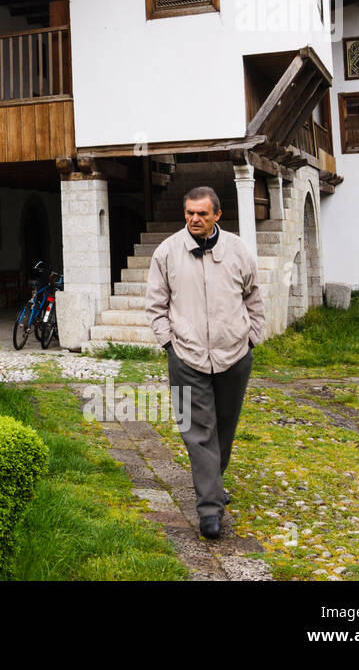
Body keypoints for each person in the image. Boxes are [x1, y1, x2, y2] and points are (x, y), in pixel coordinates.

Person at [144, 185, 265, 539]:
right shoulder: (166, 252)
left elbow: (254, 296)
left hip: (235, 355)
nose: (194, 219)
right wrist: (169, 343)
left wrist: (252, 337)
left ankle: (212, 483)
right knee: (195, 431)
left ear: (217, 215)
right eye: (189, 213)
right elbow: (155, 305)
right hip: (184, 357)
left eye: (202, 213)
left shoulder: (238, 250)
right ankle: (210, 509)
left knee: (224, 428)